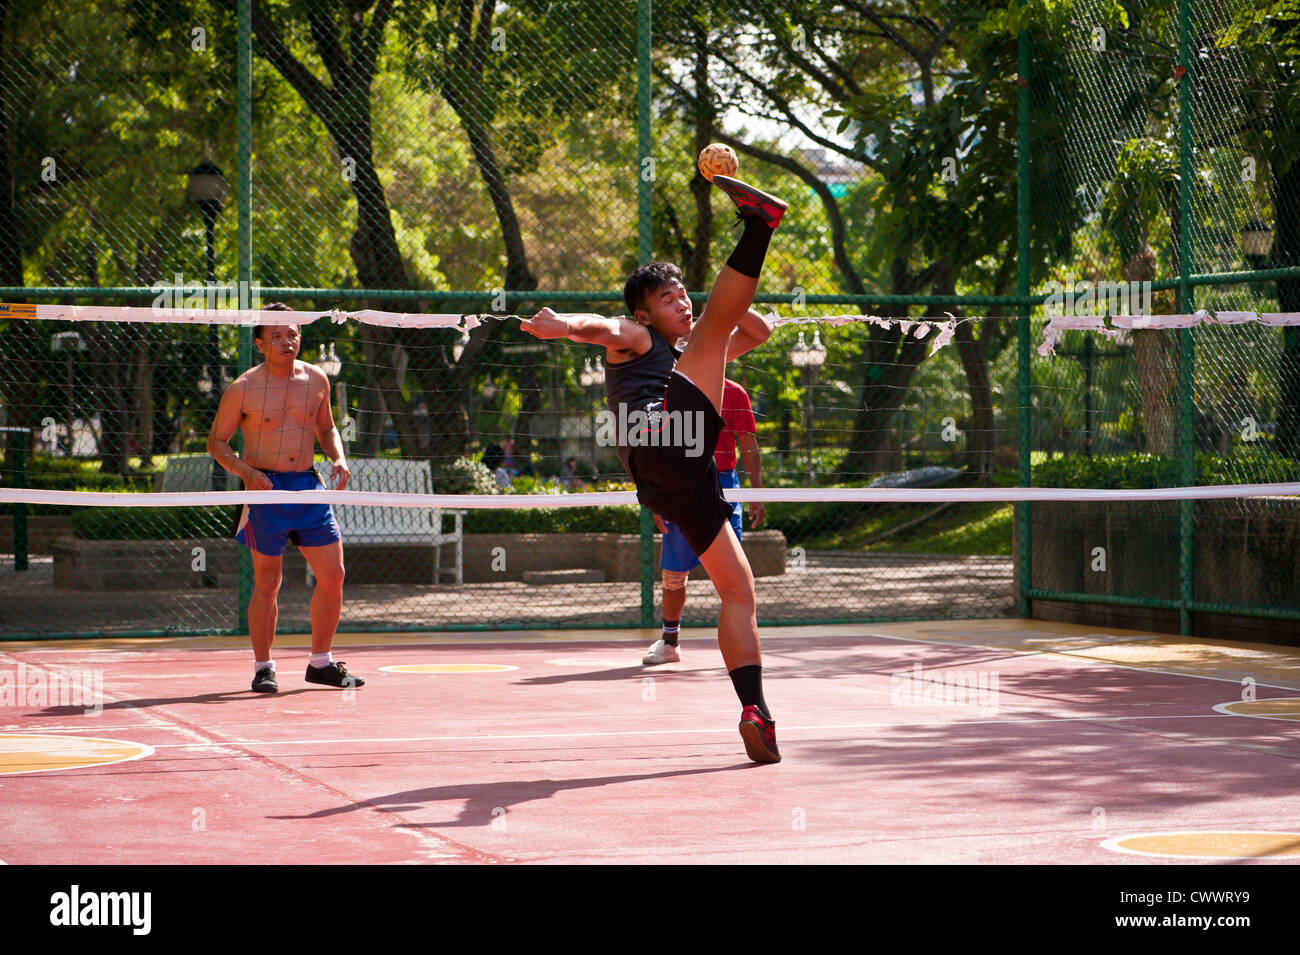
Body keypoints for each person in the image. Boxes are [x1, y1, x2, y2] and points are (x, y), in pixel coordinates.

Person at [521, 172, 787, 763]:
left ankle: (755, 711)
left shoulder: (693, 350)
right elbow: (605, 328)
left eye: (684, 294)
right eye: (669, 299)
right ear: (645, 312)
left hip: (683, 477)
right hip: (659, 433)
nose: (682, 303)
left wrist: (699, 314)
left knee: (739, 591)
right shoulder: (639, 339)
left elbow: (759, 329)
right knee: (715, 333)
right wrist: (563, 326)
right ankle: (758, 225)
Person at [206, 303, 362, 693]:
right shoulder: (242, 388)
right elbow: (216, 443)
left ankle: (320, 663)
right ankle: (263, 667)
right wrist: (246, 473)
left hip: (308, 488)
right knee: (268, 582)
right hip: (265, 492)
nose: (286, 341)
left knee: (334, 575)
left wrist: (338, 457)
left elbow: (326, 429)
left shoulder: (316, 380)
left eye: (292, 333)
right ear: (260, 343)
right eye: (276, 335)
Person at [643, 377, 764, 666]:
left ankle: (740, 650)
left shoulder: (735, 392)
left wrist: (757, 494)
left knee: (733, 578)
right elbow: (655, 443)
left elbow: (748, 441)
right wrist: (656, 494)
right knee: (674, 574)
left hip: (724, 486)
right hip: (681, 484)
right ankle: (670, 642)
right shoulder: (667, 393)